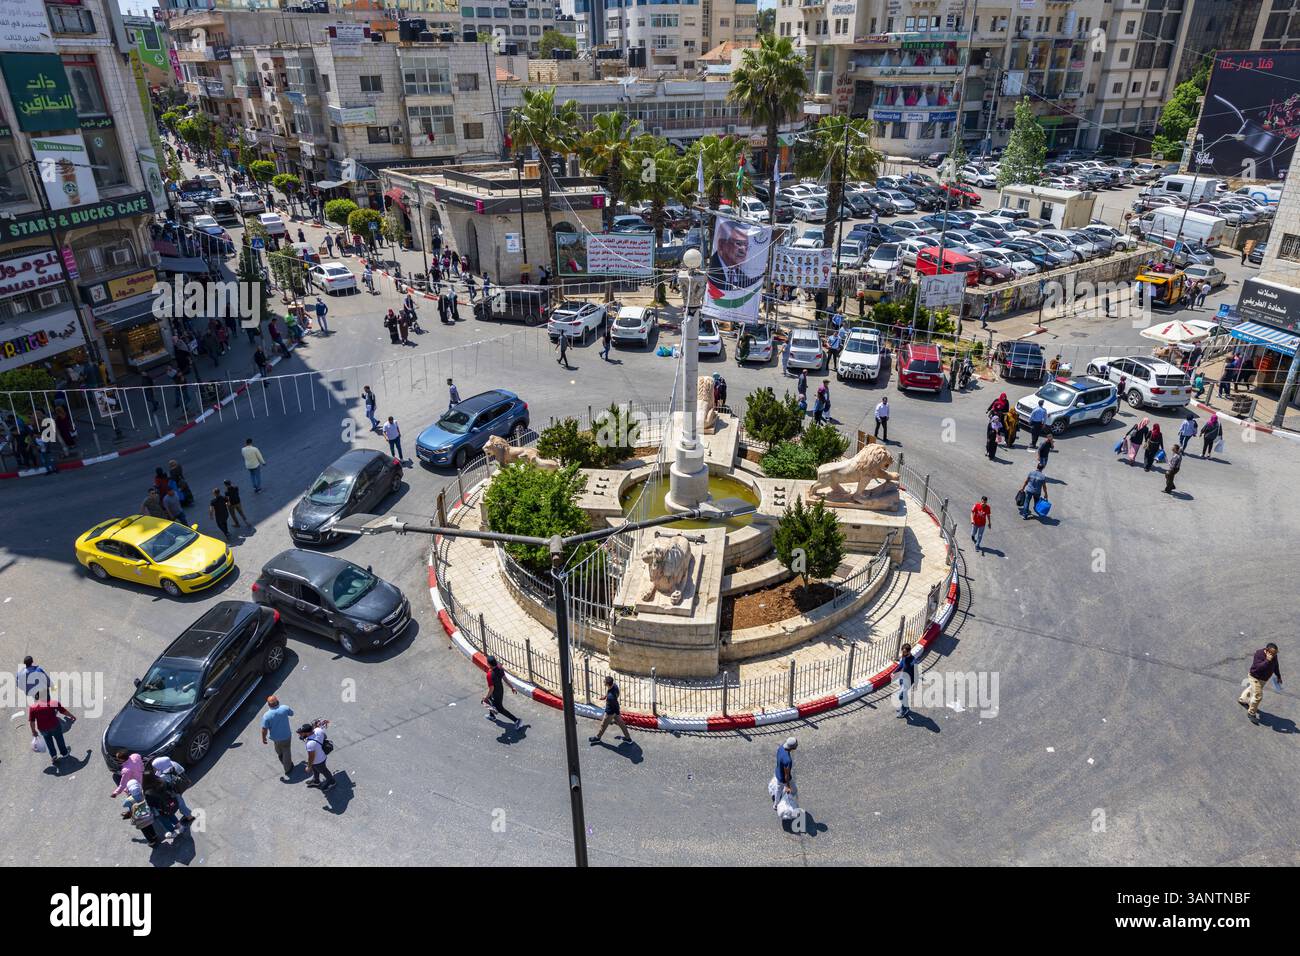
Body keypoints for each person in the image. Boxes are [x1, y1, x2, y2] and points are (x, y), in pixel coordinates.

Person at [1238, 643, 1281, 724]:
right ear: (1267, 651)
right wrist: (1267, 660)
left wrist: (1278, 676)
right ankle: (1251, 713)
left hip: (1264, 679)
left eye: (1276, 653)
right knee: (1258, 695)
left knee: (1251, 689)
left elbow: (1276, 665)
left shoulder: (1274, 655)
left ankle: (1242, 700)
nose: (1275, 654)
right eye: (1273, 653)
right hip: (1255, 677)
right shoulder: (1259, 654)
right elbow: (1258, 668)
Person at [28, 695, 74, 767]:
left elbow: (32, 722)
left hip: (43, 729)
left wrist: (33, 731)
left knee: (48, 741)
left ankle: (53, 755)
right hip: (55, 726)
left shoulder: (33, 708)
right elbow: (63, 711)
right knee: (59, 739)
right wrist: (71, 716)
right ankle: (64, 753)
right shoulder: (53, 703)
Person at [482, 656, 523, 730]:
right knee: (491, 701)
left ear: (489, 664)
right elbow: (505, 679)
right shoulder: (499, 667)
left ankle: (517, 720)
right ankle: (492, 716)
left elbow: (491, 688)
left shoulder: (489, 675)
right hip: (500, 690)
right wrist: (512, 687)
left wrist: (486, 697)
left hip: (496, 693)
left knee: (499, 708)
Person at [261, 695, 296, 777]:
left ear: (268, 705)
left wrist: (263, 738)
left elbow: (264, 729)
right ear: (278, 702)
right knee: (286, 751)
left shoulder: (266, 716)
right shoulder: (284, 708)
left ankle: (280, 755)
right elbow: (292, 713)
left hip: (275, 738)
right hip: (286, 735)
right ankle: (288, 769)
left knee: (278, 746)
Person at [299, 723, 336, 790]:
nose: (300, 734)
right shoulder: (318, 730)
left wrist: (308, 766)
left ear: (307, 733)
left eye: (302, 732)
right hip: (322, 755)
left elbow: (311, 757)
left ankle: (332, 782)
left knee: (324, 771)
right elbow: (325, 736)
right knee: (315, 770)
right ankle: (316, 781)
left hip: (318, 761)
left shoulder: (310, 744)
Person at [892, 642, 920, 718]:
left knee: (901, 696)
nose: (903, 653)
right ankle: (906, 708)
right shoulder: (904, 657)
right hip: (902, 679)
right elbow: (900, 666)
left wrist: (915, 684)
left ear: (909, 651)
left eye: (905, 652)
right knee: (904, 695)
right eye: (902, 652)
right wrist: (894, 673)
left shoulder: (914, 661)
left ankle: (903, 710)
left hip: (908, 681)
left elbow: (916, 674)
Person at [772, 737, 797, 807]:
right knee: (794, 790)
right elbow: (787, 774)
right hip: (783, 778)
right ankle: (786, 801)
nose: (797, 745)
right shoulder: (788, 760)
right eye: (796, 744)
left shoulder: (781, 748)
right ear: (793, 747)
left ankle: (776, 804)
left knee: (778, 789)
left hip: (777, 772)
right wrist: (788, 786)